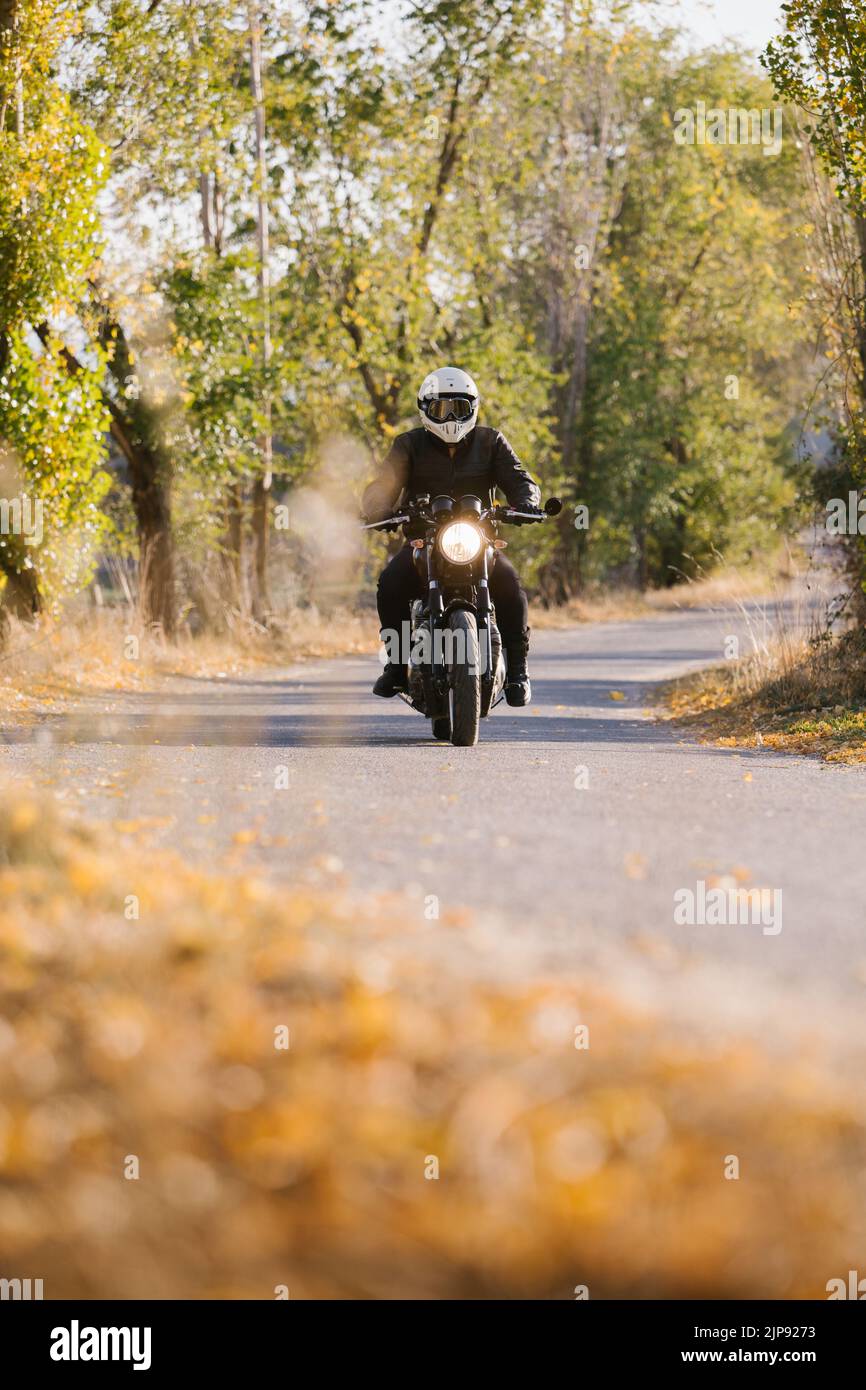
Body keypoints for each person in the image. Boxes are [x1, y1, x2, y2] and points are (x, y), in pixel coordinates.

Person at [362, 365, 542, 706]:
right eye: (441, 408)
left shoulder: (491, 442)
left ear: (473, 407)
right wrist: (377, 508)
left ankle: (518, 671)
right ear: (424, 409)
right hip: (423, 543)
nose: (449, 417)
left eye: (458, 407)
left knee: (511, 586)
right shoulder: (408, 446)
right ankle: (398, 666)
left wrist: (527, 502)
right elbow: (381, 485)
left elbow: (520, 479)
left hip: (478, 543)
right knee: (390, 583)